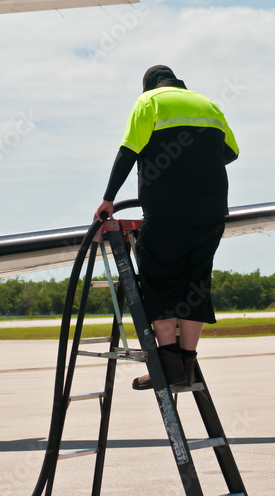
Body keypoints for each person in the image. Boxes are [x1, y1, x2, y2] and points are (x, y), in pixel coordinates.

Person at [95, 65, 238, 390]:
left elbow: (129, 150)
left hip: (168, 209)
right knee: (195, 283)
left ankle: (169, 363)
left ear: (148, 85)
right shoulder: (207, 104)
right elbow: (231, 152)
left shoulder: (149, 102)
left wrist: (108, 199)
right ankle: (187, 364)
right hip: (212, 209)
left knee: (158, 278)